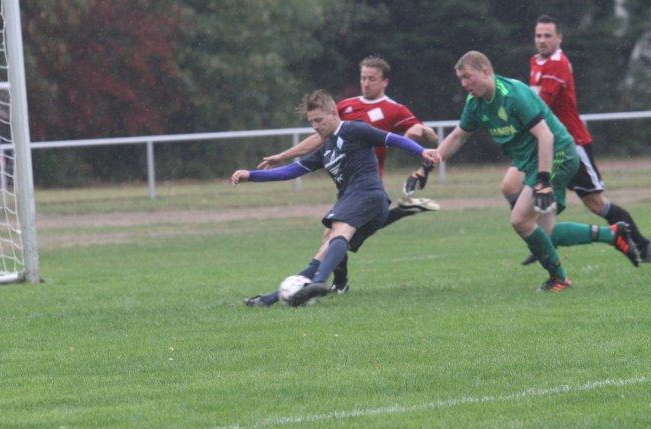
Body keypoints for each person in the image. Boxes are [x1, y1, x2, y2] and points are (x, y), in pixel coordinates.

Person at [429, 51, 640, 292]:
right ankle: (612, 235)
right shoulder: (474, 103)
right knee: (544, 232)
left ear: (485, 72)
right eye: (461, 79)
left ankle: (559, 279)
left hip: (558, 154)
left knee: (520, 220)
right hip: (532, 160)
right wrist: (432, 160)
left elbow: (546, 136)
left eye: (468, 77)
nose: (464, 83)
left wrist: (542, 180)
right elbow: (458, 136)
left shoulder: (513, 94)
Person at [233, 89, 441, 306]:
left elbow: (392, 139)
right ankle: (269, 299)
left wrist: (421, 151)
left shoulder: (354, 129)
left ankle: (319, 283)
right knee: (326, 248)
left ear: (333, 113)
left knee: (337, 234)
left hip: (367, 194)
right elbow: (292, 171)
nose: (315, 126)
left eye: (319, 120)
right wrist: (251, 176)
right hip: (366, 204)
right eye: (311, 122)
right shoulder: (326, 149)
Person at [501, 14, 651, 265]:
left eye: (548, 36)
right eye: (538, 35)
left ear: (559, 38)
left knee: (596, 203)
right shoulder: (536, 62)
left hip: (572, 144)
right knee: (510, 185)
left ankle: (643, 246)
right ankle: (539, 237)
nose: (542, 40)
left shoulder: (558, 64)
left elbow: (539, 108)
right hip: (547, 145)